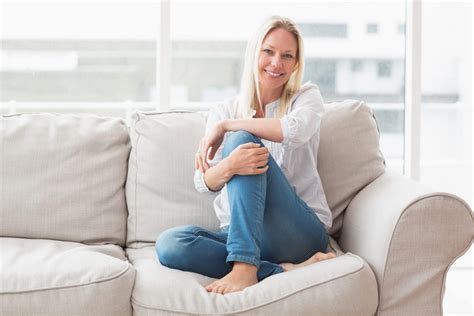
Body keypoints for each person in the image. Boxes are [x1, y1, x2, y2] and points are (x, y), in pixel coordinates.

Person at [156, 15, 335, 295]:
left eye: (287, 56)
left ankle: (243, 267)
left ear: (296, 64)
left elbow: (295, 130)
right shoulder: (224, 108)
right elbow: (204, 181)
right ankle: (281, 270)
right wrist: (230, 165)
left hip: (299, 231)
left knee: (241, 140)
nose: (276, 63)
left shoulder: (306, 97)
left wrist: (230, 126)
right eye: (268, 51)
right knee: (171, 244)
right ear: (254, 53)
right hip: (244, 234)